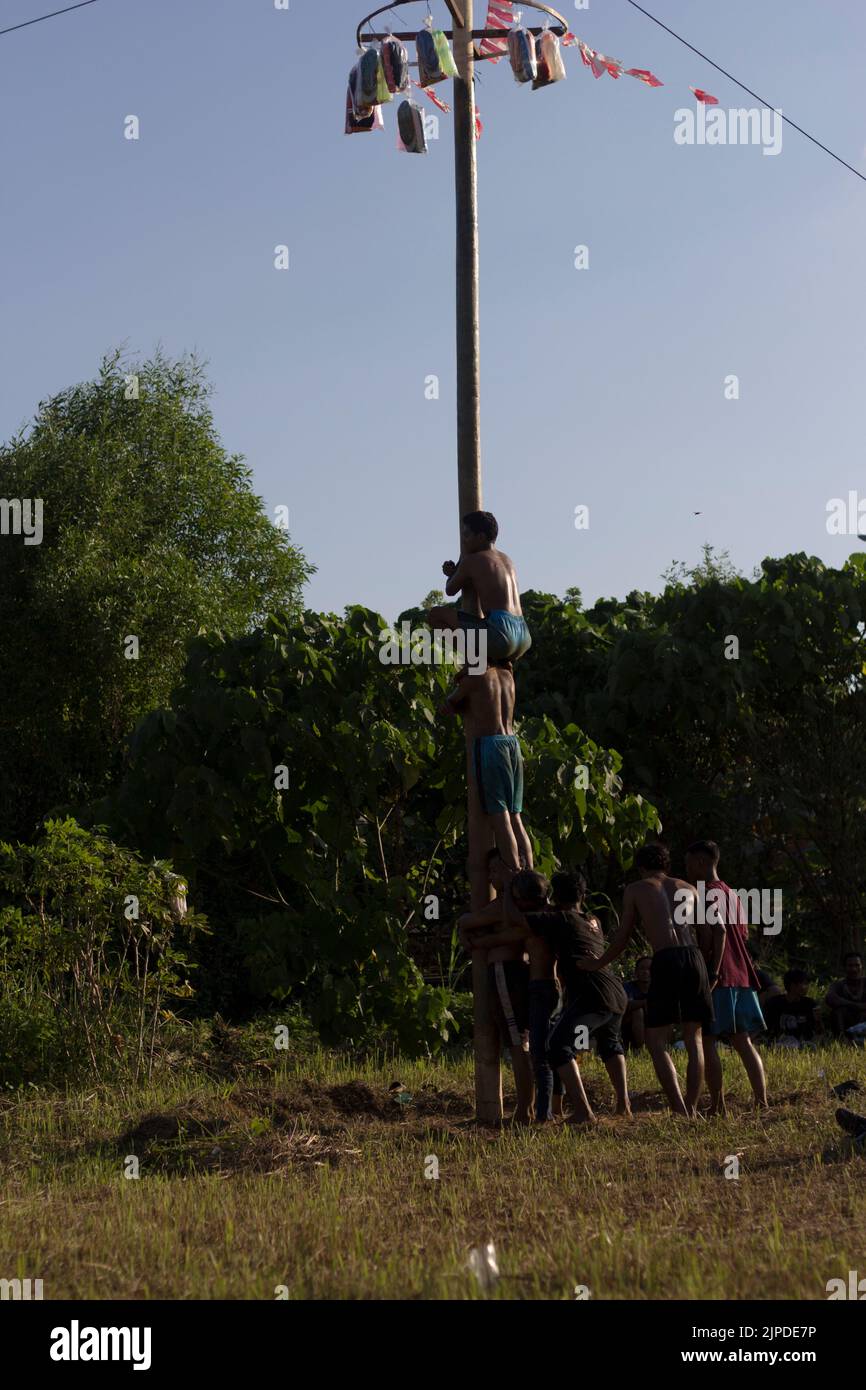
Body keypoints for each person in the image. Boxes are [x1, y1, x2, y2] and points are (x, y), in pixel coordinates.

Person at [472, 871, 630, 1123]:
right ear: (583, 895)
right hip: (615, 992)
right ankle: (624, 1107)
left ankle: (583, 1111)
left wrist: (510, 892)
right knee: (611, 1044)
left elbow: (517, 919)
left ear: (554, 897)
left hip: (592, 993)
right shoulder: (592, 920)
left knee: (555, 1046)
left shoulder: (559, 918)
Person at [578, 843, 712, 1118]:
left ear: (641, 867)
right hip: (694, 957)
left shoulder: (637, 889)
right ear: (667, 865)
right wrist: (708, 967)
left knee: (655, 1039)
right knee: (693, 1037)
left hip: (665, 959)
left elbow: (624, 936)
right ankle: (693, 1106)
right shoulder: (689, 888)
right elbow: (706, 931)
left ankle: (678, 1107)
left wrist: (597, 963)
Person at [685, 840, 768, 1114]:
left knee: (708, 1040)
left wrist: (712, 970)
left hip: (719, 977)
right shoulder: (732, 893)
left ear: (700, 861)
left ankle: (717, 1105)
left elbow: (715, 933)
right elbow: (742, 935)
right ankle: (761, 1101)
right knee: (742, 1040)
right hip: (742, 975)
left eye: (689, 863)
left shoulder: (705, 893)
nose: (687, 869)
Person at [457, 850, 534, 1126]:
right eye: (487, 871)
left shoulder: (505, 904)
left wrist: (472, 936)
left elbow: (467, 921)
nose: (490, 877)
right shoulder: (524, 901)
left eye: (494, 871)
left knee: (517, 1043)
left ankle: (525, 1109)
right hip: (518, 974)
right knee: (521, 1041)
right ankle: (531, 1106)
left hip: (506, 973)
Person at [442, 660, 532, 873]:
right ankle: (531, 876)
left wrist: (460, 680)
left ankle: (515, 877)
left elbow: (449, 704)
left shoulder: (474, 676)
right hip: (512, 743)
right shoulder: (507, 673)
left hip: (490, 746)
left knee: (499, 817)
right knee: (515, 816)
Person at [428, 511, 531, 666]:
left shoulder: (472, 560)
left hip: (500, 633)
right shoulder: (507, 559)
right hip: (523, 634)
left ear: (481, 537)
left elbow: (450, 590)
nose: (463, 540)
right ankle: (500, 662)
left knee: (435, 615)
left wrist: (451, 573)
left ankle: (476, 661)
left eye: (467, 535)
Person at [763, 970, 823, 1046]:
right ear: (792, 985)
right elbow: (766, 1028)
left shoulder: (810, 1004)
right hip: (780, 1042)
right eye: (804, 984)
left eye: (807, 984)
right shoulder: (774, 1003)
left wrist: (818, 1020)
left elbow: (819, 1032)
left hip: (803, 1042)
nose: (807, 987)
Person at [825, 953, 866, 1038]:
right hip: (847, 1024)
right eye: (850, 966)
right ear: (845, 968)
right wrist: (856, 1005)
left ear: (862, 966)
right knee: (838, 1011)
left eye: (857, 965)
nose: (854, 969)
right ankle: (842, 1038)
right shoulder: (838, 984)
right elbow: (830, 998)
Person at [622, 956, 652, 1051]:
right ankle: (642, 1049)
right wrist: (644, 1003)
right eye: (642, 968)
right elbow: (623, 1005)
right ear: (636, 972)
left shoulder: (659, 989)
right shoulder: (627, 987)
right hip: (628, 1027)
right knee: (637, 1011)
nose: (646, 972)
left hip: (654, 1027)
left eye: (649, 969)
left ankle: (665, 1046)